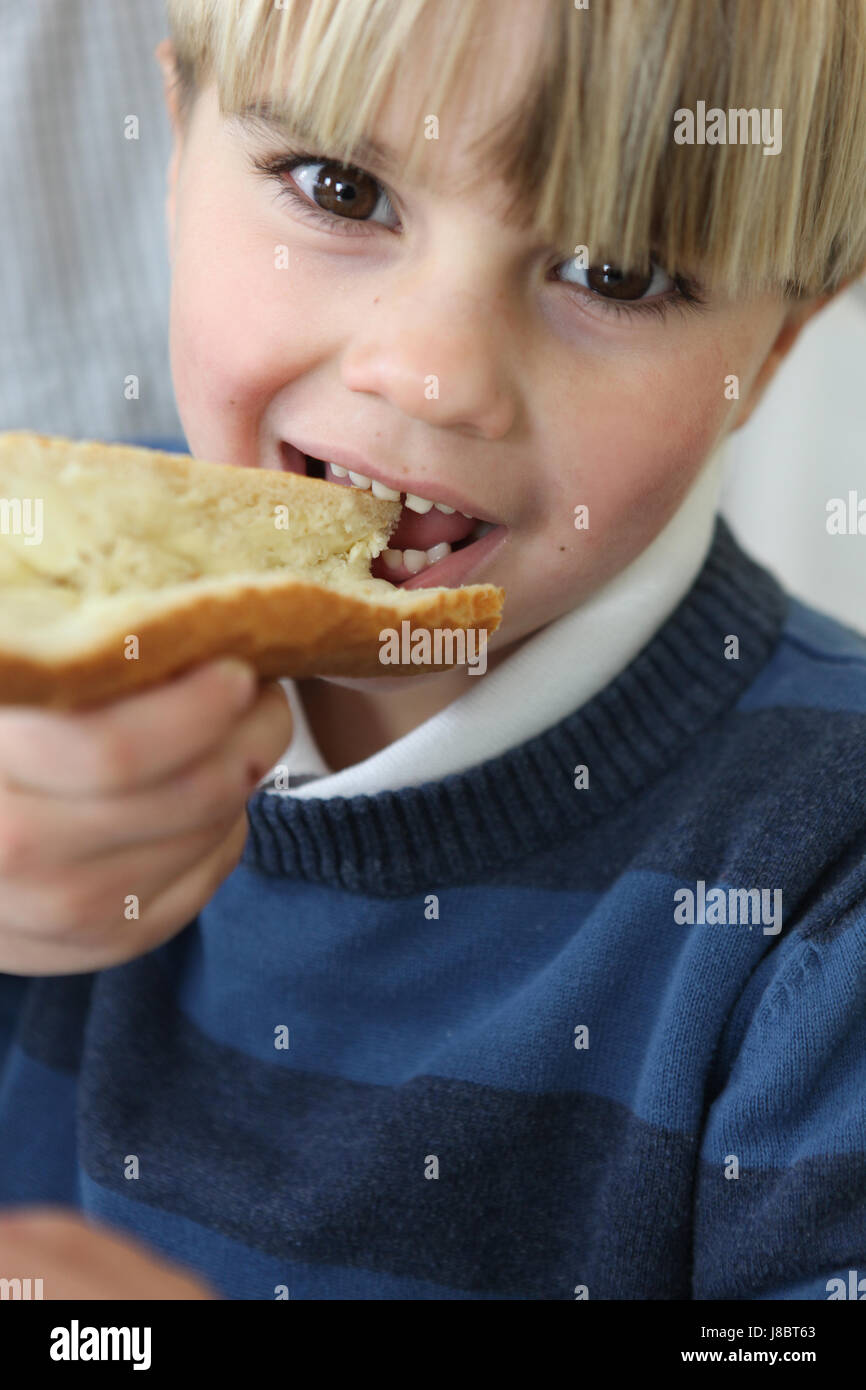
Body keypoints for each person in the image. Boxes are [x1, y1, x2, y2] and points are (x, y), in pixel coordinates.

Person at [0, 0, 865, 1300]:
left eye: (613, 273)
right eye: (337, 188)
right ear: (174, 147)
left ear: (781, 338)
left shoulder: (822, 890)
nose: (429, 371)